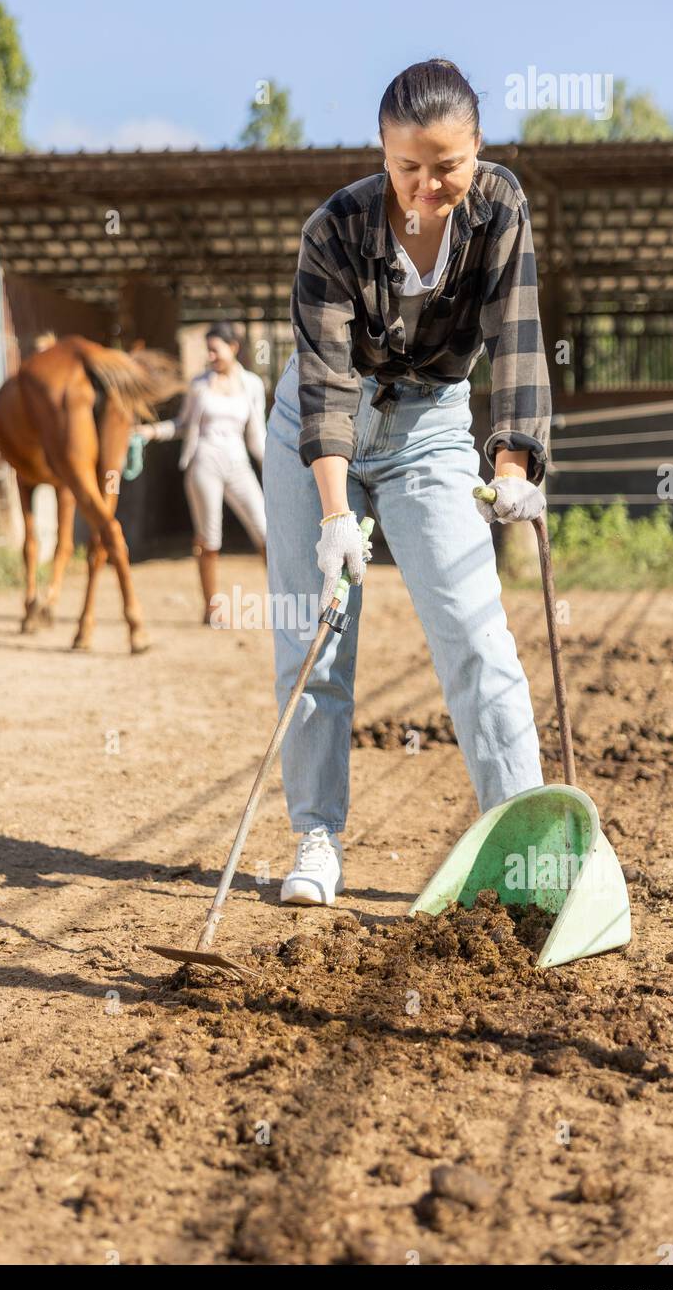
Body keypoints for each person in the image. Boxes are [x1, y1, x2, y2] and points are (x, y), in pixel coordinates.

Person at [264, 58, 551, 907]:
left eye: (447, 166)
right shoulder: (335, 229)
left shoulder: (500, 206)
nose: (427, 188)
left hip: (430, 430)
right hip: (316, 432)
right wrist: (332, 518)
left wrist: (509, 466)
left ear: (478, 150)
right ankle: (316, 836)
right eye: (406, 168)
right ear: (381, 154)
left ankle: (525, 840)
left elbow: (518, 334)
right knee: (316, 632)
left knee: (474, 631)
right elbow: (321, 382)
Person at [144, 321, 268, 623]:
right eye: (208, 350)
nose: (210, 356)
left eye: (215, 350)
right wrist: (151, 432)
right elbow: (183, 425)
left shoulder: (252, 384)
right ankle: (212, 607)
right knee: (210, 537)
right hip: (204, 462)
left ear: (233, 348)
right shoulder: (199, 385)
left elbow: (258, 436)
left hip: (238, 463)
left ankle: (283, 598)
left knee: (266, 531)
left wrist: (277, 468)